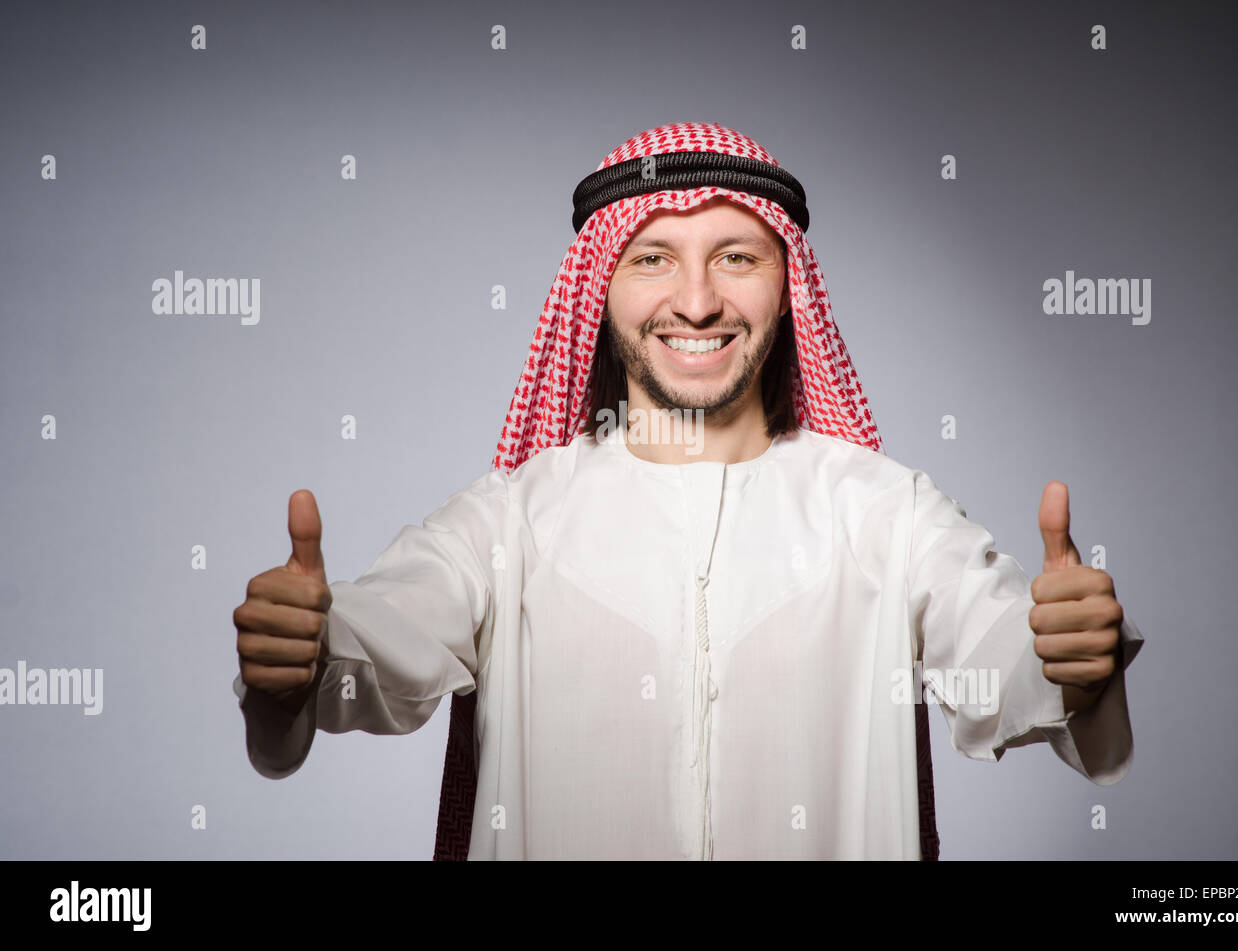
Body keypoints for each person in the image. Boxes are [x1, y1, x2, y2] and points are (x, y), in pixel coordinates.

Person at [231, 122, 1144, 860]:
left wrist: (1066, 654)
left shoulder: (885, 512)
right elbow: (383, 639)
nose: (699, 301)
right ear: (600, 289)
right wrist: (308, 647)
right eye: (654, 258)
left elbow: (1004, 657)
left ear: (787, 286)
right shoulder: (510, 518)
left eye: (737, 258)